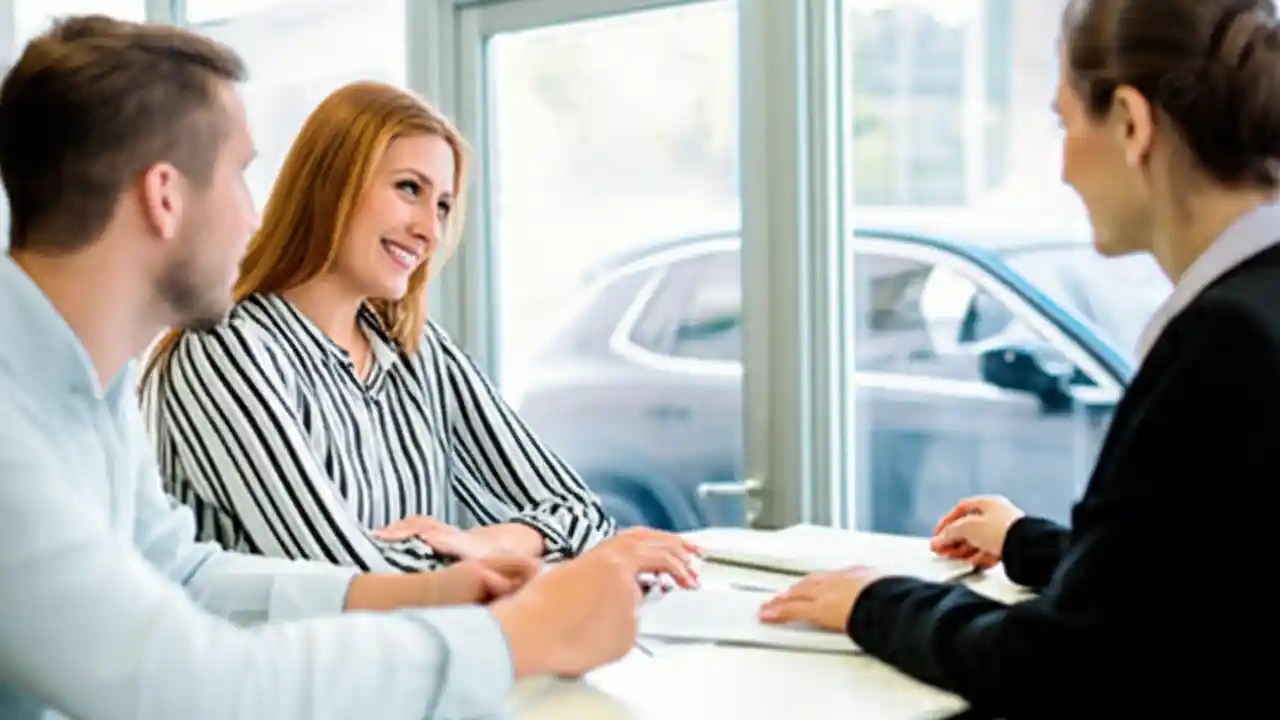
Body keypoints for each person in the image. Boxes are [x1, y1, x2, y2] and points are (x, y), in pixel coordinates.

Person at [0, 15, 699, 720]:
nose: (252, 218)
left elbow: (182, 570)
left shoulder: (95, 386)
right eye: (240, 178)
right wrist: (510, 637)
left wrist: (425, 591)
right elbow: (189, 684)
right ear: (165, 196)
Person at [758, 0, 1276, 716]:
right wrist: (1029, 545)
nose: (1063, 169)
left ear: (1132, 122)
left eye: (1065, 123)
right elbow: (1191, 574)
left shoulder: (1229, 343)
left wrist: (871, 603)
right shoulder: (1255, 310)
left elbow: (1060, 663)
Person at [138, 80, 613, 573]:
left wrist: (485, 546)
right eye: (410, 189)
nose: (430, 230)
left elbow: (583, 515)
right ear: (332, 184)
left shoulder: (418, 353)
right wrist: (476, 554)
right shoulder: (224, 350)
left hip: (407, 644)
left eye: (443, 206)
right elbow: (341, 574)